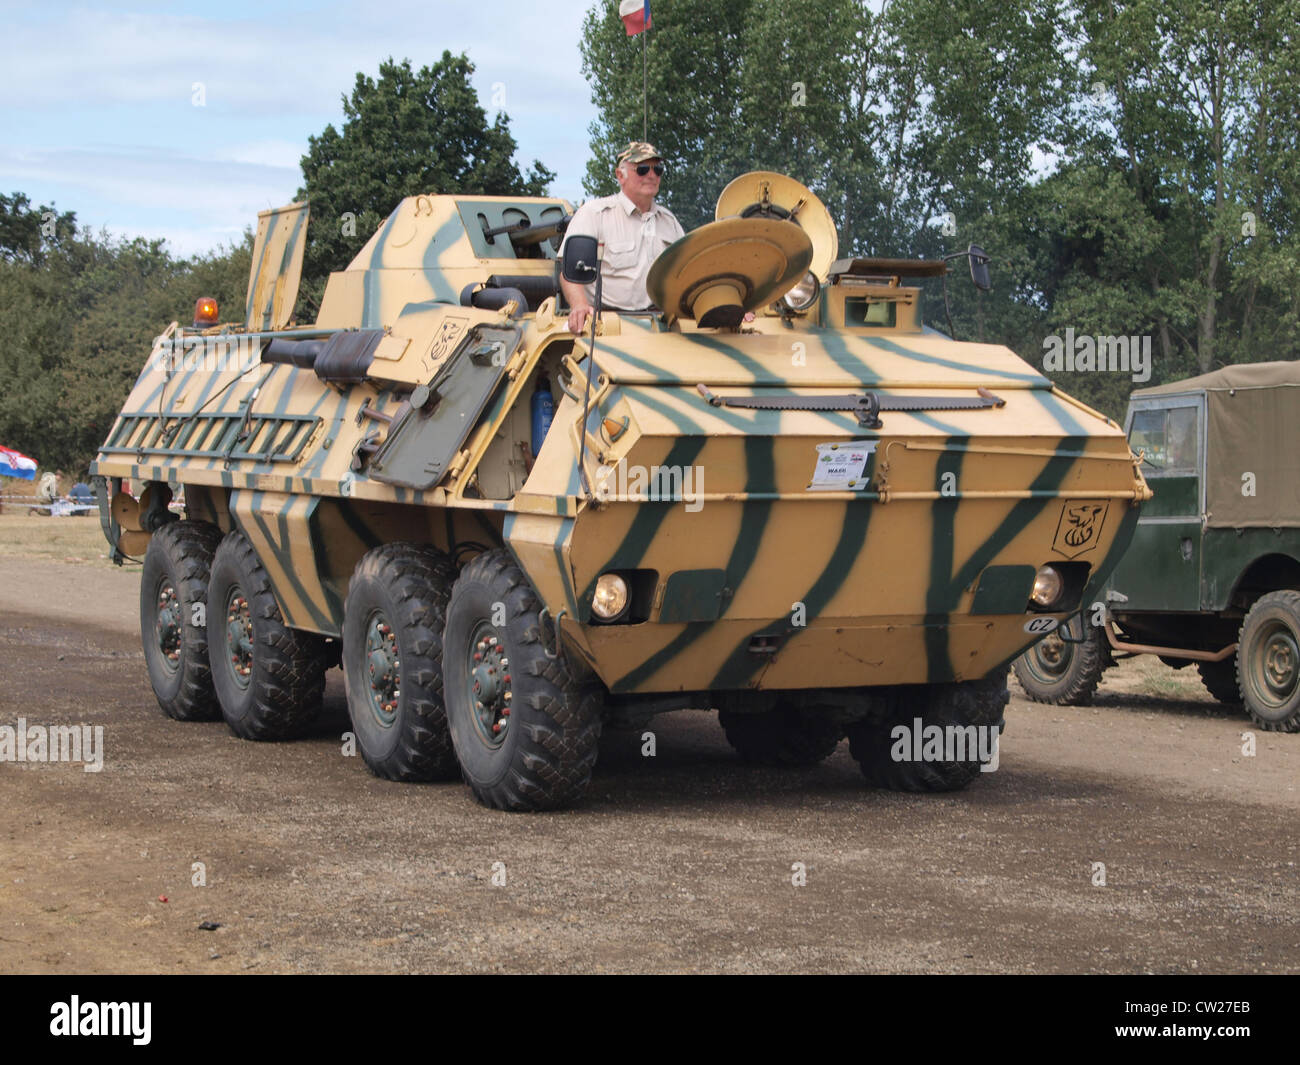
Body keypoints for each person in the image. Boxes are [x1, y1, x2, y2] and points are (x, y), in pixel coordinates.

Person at [560, 141, 685, 334]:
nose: (652, 175)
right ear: (620, 175)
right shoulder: (595, 214)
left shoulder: (669, 221)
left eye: (657, 169)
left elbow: (687, 273)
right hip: (609, 326)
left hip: (662, 325)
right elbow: (569, 274)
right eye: (642, 169)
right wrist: (579, 306)